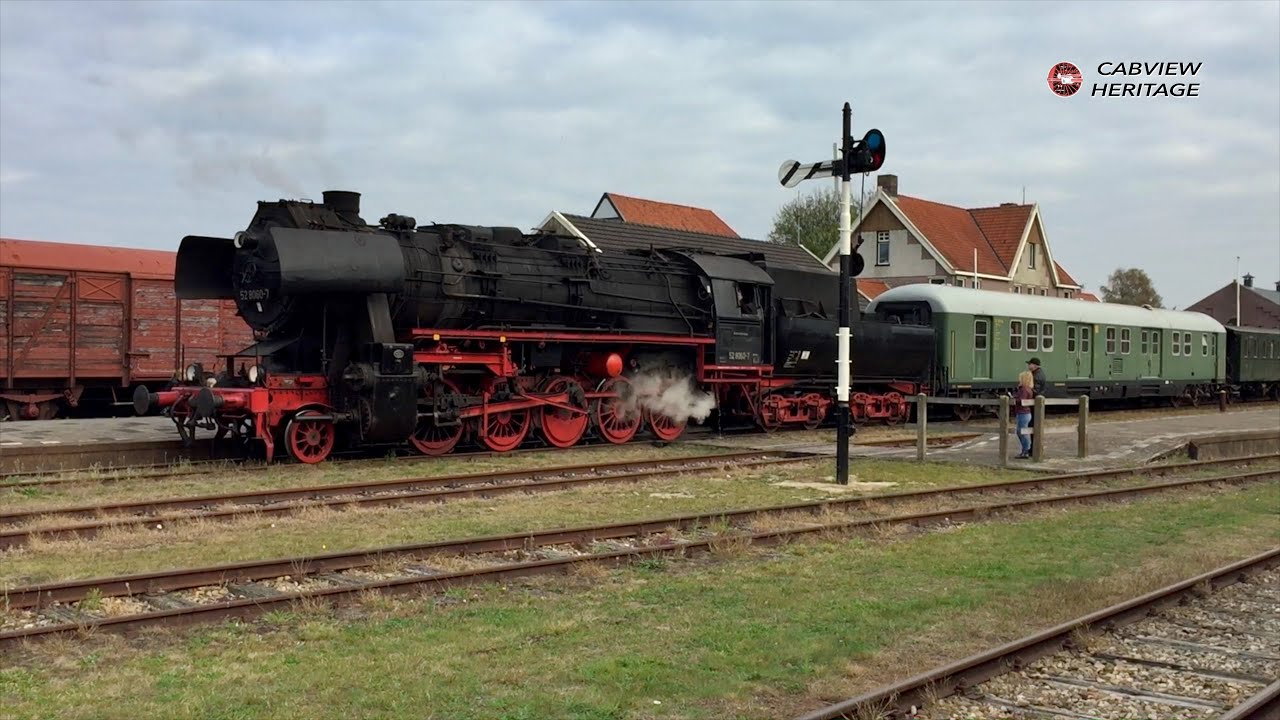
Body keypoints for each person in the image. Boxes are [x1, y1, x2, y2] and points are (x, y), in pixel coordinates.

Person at [1013, 370, 1034, 459]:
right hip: (1025, 413)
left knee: (1021, 432)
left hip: (1023, 413)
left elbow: (1021, 400)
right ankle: (1025, 450)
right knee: (1022, 431)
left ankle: (1026, 450)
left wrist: (1014, 398)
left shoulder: (1024, 389)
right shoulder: (1028, 389)